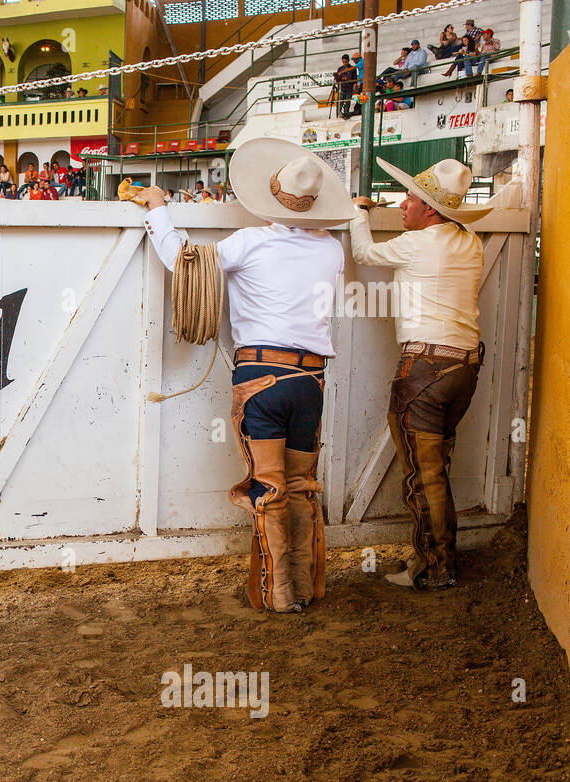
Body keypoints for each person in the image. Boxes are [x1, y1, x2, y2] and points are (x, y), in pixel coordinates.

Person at [135, 139, 358, 612]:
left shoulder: (251, 242)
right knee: (299, 486)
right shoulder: (331, 251)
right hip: (310, 381)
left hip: (261, 376)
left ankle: (278, 592)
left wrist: (158, 208)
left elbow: (185, 263)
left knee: (270, 485)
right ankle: (300, 586)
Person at [351, 159, 494, 590]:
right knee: (435, 466)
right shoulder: (470, 243)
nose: (402, 204)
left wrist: (359, 212)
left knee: (423, 473)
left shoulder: (416, 245)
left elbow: (363, 253)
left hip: (425, 371)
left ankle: (435, 569)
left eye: (410, 198)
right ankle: (438, 561)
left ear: (430, 209)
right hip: (463, 367)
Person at [334, 55, 359, 119]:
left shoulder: (352, 69)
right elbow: (337, 78)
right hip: (342, 88)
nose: (344, 63)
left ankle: (346, 115)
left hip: (349, 88)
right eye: (343, 61)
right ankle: (338, 116)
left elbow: (354, 78)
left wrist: (350, 81)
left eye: (345, 61)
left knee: (347, 103)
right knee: (340, 103)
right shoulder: (340, 69)